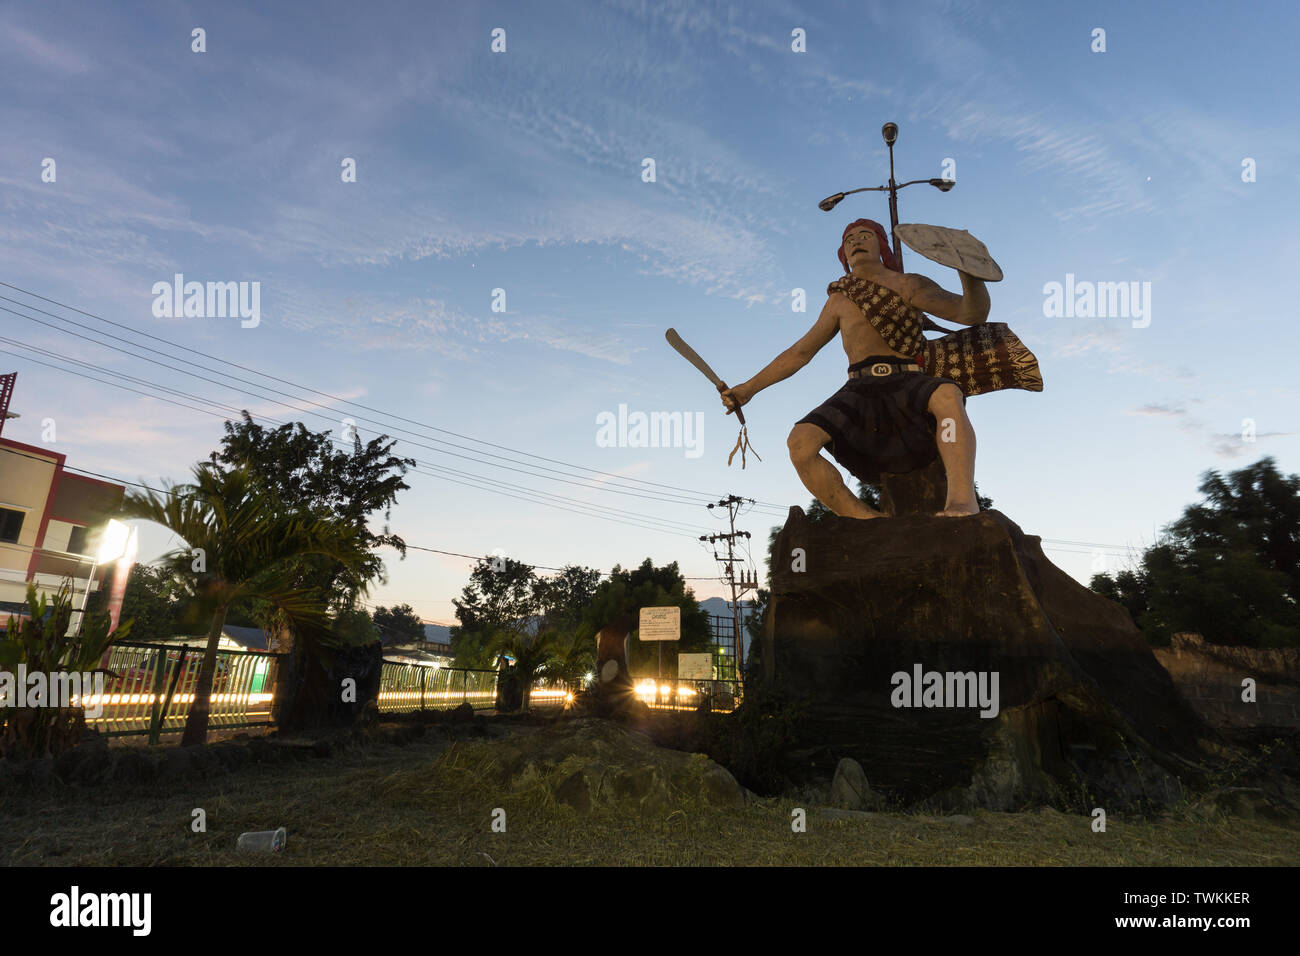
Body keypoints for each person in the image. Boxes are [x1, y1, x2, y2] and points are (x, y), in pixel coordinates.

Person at [719, 218, 1040, 518]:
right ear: (843, 254)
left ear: (882, 246)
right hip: (859, 389)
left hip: (907, 379)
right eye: (849, 240)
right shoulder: (838, 300)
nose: (856, 241)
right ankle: (867, 523)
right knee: (800, 442)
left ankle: (962, 502)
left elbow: (970, 314)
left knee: (946, 394)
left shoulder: (909, 285)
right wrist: (748, 389)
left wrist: (968, 272)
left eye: (865, 236)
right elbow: (801, 352)